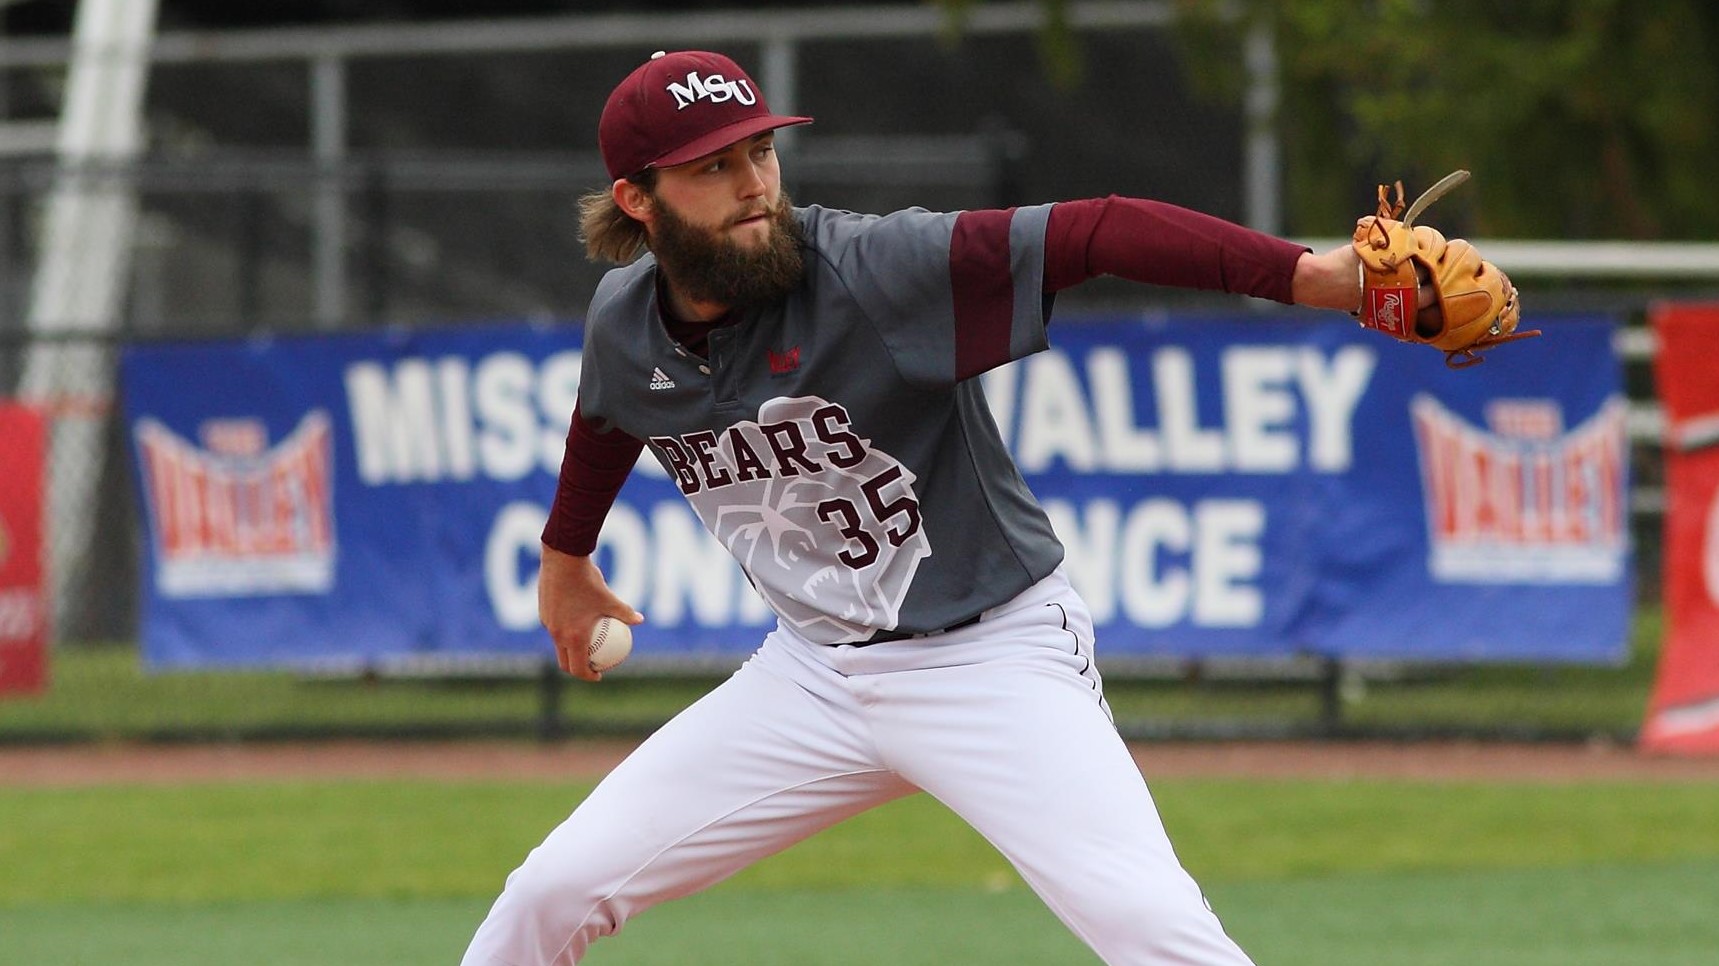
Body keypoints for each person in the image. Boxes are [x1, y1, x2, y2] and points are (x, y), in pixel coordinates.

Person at [461, 49, 1408, 966]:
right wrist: (565, 555)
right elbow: (607, 417)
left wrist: (1306, 276)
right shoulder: (623, 322)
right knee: (548, 895)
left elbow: (1095, 230)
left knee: (1150, 927)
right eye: (713, 166)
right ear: (638, 199)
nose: (754, 182)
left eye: (760, 150)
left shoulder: (873, 269)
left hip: (991, 658)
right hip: (809, 678)